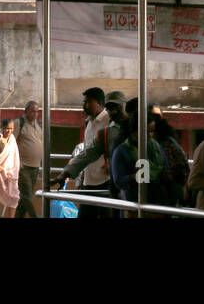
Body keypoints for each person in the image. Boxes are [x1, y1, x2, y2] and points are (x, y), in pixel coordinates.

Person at [54, 89, 127, 218]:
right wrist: (66, 173)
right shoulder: (98, 127)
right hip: (92, 183)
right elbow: (87, 152)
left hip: (111, 183)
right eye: (110, 108)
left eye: (88, 102)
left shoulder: (122, 126)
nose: (113, 112)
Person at [110, 101, 169, 207]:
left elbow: (165, 167)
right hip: (132, 202)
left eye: (152, 131)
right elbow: (118, 180)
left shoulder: (156, 147)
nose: (150, 136)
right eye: (146, 132)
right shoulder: (122, 151)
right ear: (134, 131)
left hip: (156, 201)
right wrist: (135, 177)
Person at [13, 100, 42, 218]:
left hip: (35, 166)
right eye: (32, 112)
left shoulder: (38, 124)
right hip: (23, 166)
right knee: (26, 195)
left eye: (37, 112)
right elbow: (11, 143)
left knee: (24, 199)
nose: (35, 114)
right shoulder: (19, 123)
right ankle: (35, 216)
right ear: (26, 111)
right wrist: (16, 161)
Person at [0, 117, 21, 216]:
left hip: (8, 173)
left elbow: (14, 156)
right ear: (2, 127)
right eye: (7, 128)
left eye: (11, 129)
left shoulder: (13, 139)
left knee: (14, 197)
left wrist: (12, 171)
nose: (9, 131)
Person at [154, 116, 189, 203]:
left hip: (173, 186)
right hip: (179, 183)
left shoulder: (165, 145)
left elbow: (171, 169)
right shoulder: (171, 141)